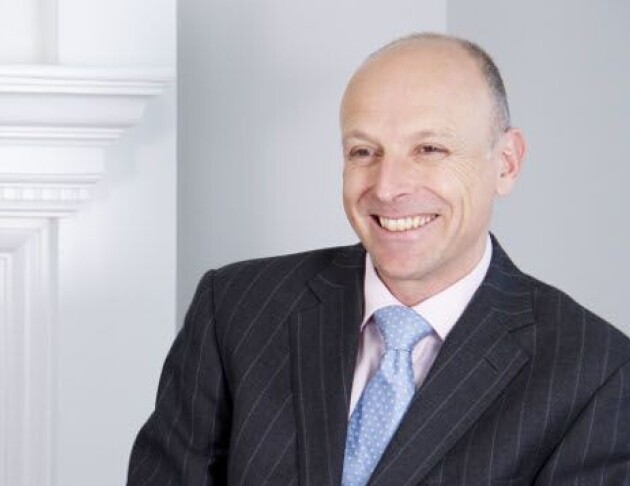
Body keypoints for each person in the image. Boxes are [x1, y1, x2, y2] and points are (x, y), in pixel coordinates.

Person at [127, 33, 630, 485]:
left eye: (429, 149)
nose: (388, 188)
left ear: (506, 163)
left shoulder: (595, 372)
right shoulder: (236, 309)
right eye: (364, 152)